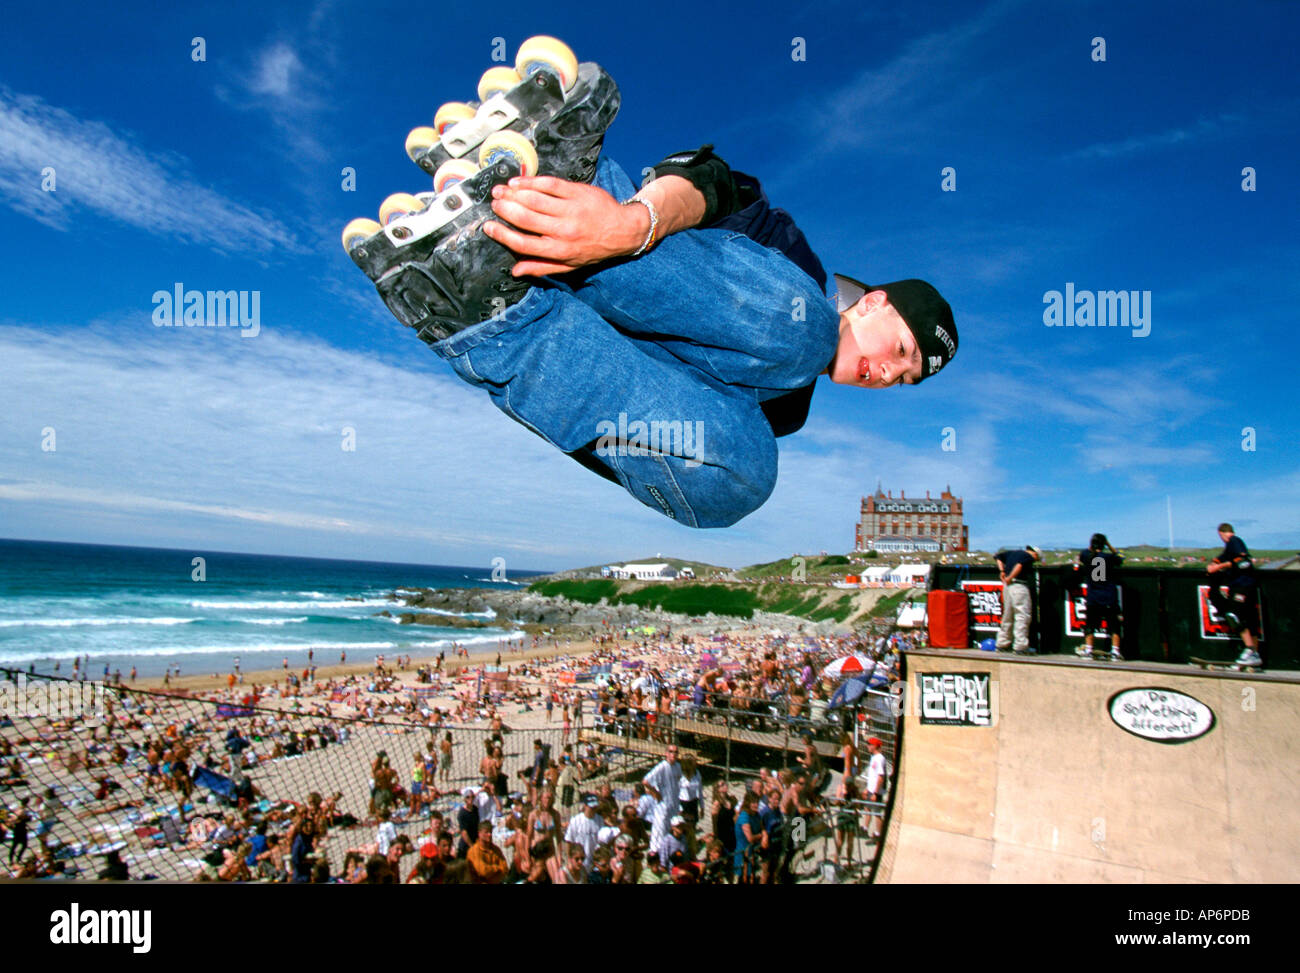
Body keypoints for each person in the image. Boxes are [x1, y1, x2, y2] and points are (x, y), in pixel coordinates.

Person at [345, 63, 959, 530]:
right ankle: (557, 176)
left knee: (749, 473)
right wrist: (630, 225)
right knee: (805, 333)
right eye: (900, 349)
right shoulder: (790, 262)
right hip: (597, 237)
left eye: (901, 380)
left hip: (543, 323)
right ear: (874, 302)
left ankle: (489, 309)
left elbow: (608, 451)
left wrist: (524, 369)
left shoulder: (786, 414)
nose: (885, 374)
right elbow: (708, 181)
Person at [1207, 523, 1263, 668]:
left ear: (1221, 533)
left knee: (1232, 614)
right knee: (1250, 620)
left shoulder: (1234, 541)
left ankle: (1250, 650)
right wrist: (1214, 563)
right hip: (1248, 585)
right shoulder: (1229, 548)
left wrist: (1219, 567)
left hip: (1242, 585)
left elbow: (1242, 560)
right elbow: (1222, 558)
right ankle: (1255, 658)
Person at [1073, 533, 1124, 660]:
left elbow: (1083, 554)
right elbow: (1121, 557)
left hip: (1093, 597)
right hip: (1109, 597)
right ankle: (1115, 652)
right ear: (1103, 545)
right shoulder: (1109, 557)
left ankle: (1089, 650)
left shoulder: (1086, 556)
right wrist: (1109, 545)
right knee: (1114, 625)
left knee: (1090, 625)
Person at [995, 545, 1041, 654]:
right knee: (1022, 615)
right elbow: (1019, 566)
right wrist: (1010, 577)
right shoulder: (1028, 556)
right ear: (1035, 554)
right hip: (1019, 585)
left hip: (1007, 587)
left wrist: (1002, 571)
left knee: (1007, 615)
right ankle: (1020, 646)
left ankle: (1002, 643)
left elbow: (998, 557)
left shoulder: (1012, 553)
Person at [642, 745, 682, 855]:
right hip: (662, 806)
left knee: (671, 830)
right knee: (659, 831)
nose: (673, 754)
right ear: (666, 753)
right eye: (671, 751)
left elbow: (678, 783)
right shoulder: (662, 766)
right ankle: (655, 854)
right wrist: (655, 792)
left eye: (675, 752)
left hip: (673, 804)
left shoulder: (678, 766)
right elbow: (645, 781)